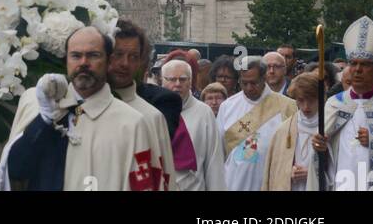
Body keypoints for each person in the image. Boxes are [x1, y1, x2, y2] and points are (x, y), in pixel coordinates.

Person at [0, 26, 161, 191]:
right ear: (66, 61)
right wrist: (44, 120)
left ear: (109, 61)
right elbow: (17, 170)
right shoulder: (46, 111)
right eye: (76, 56)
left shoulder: (131, 123)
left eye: (93, 55)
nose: (83, 63)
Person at [107, 19, 177, 190]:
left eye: (133, 57)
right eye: (118, 54)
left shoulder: (152, 118)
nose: (125, 63)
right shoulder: (80, 108)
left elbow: (164, 179)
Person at [308, 15, 373, 193]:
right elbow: (324, 156)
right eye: (353, 63)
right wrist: (320, 147)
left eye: (366, 64)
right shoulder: (335, 103)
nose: (358, 69)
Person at [217, 56, 295, 191]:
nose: (249, 88)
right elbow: (218, 150)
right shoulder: (227, 106)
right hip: (233, 182)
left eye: (254, 83)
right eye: (244, 83)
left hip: (271, 182)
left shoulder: (286, 106)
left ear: (264, 78)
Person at [161, 58, 225, 191]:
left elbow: (214, 162)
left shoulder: (204, 112)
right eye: (172, 79)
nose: (178, 84)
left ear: (190, 82)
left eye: (183, 79)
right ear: (162, 81)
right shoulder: (154, 110)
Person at [261, 72, 320, 191]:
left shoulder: (329, 126)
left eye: (311, 100)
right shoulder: (283, 130)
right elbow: (275, 169)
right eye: (301, 100)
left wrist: (312, 174)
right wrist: (288, 170)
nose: (306, 106)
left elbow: (340, 167)